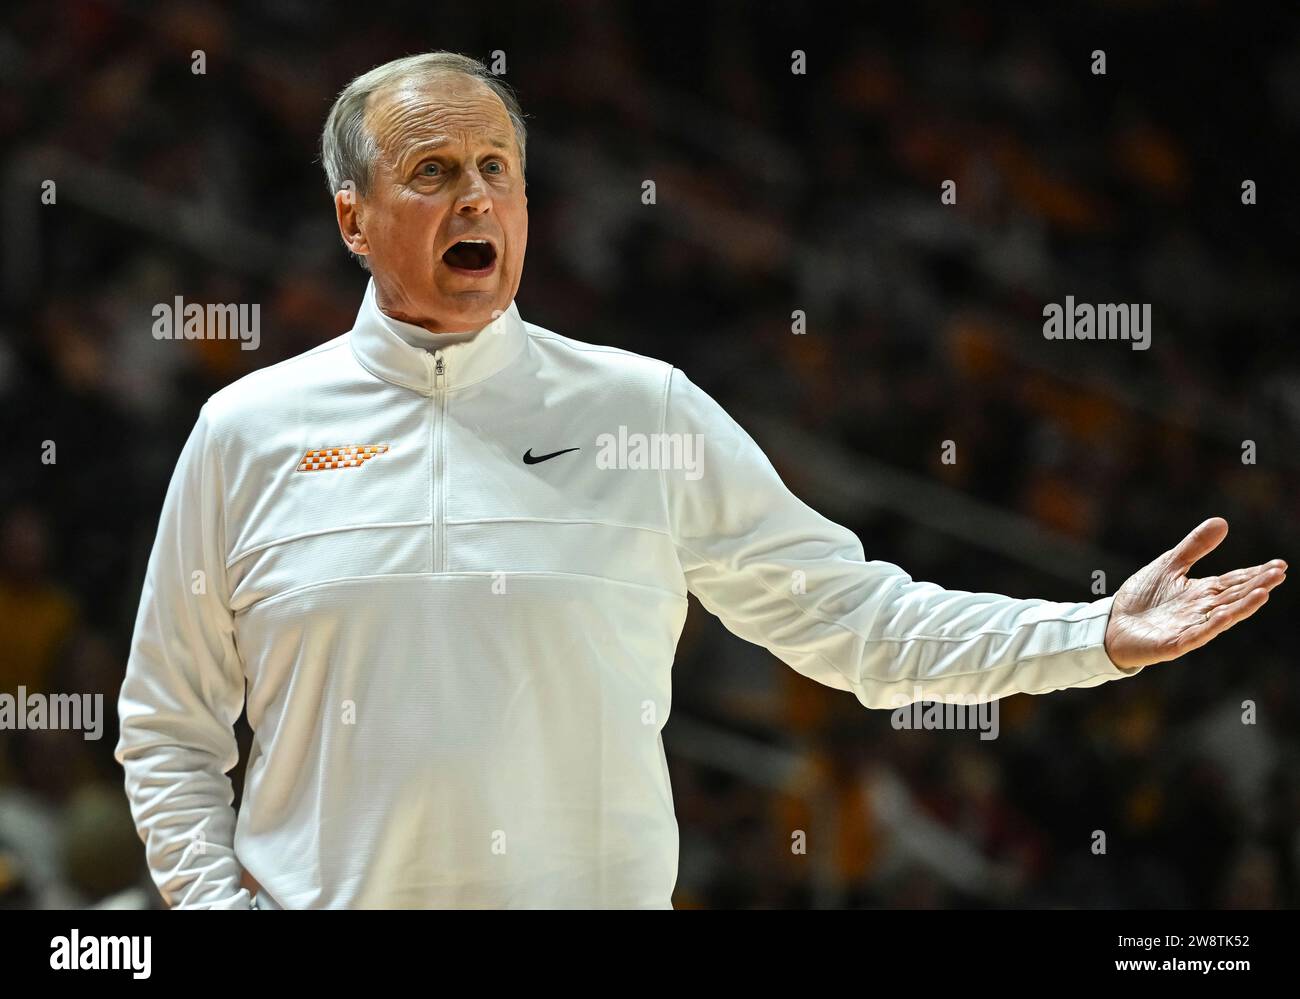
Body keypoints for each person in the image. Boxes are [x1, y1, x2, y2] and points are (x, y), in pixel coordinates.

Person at [114, 51, 1287, 909]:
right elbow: (167, 728)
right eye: (431, 171)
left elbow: (857, 622)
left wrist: (1093, 635)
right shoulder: (244, 432)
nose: (475, 198)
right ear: (352, 219)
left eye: (497, 169)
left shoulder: (642, 411)